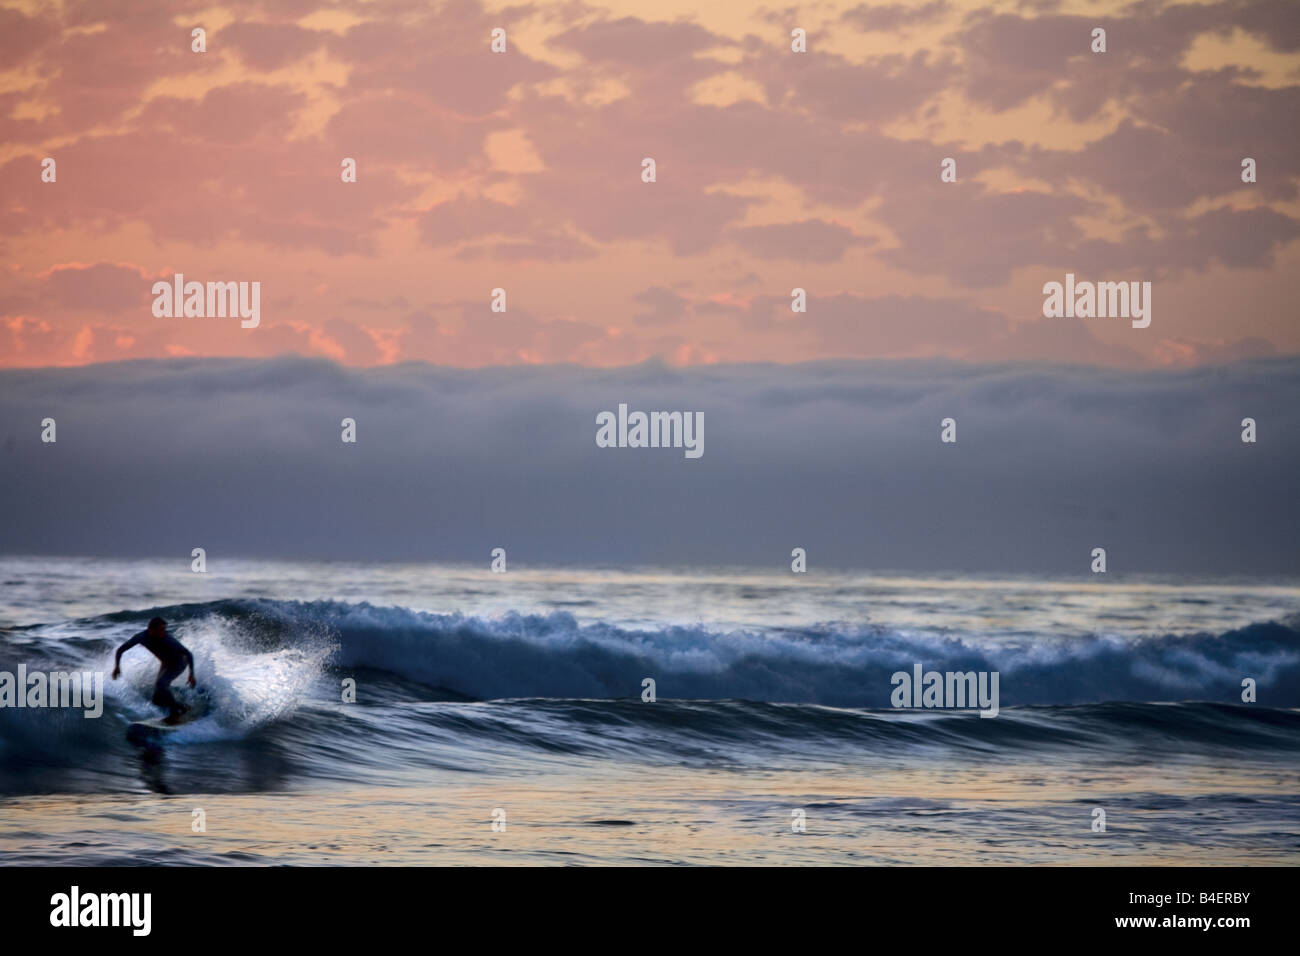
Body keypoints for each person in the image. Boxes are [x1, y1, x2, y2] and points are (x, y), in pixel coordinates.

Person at [112, 617, 196, 723]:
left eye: (164, 629)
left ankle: (175, 713)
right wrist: (117, 667)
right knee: (157, 700)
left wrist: (191, 674)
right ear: (151, 630)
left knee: (161, 684)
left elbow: (188, 653)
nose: (163, 632)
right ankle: (182, 707)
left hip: (179, 663)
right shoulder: (141, 637)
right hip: (166, 664)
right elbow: (121, 650)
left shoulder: (168, 640)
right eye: (160, 630)